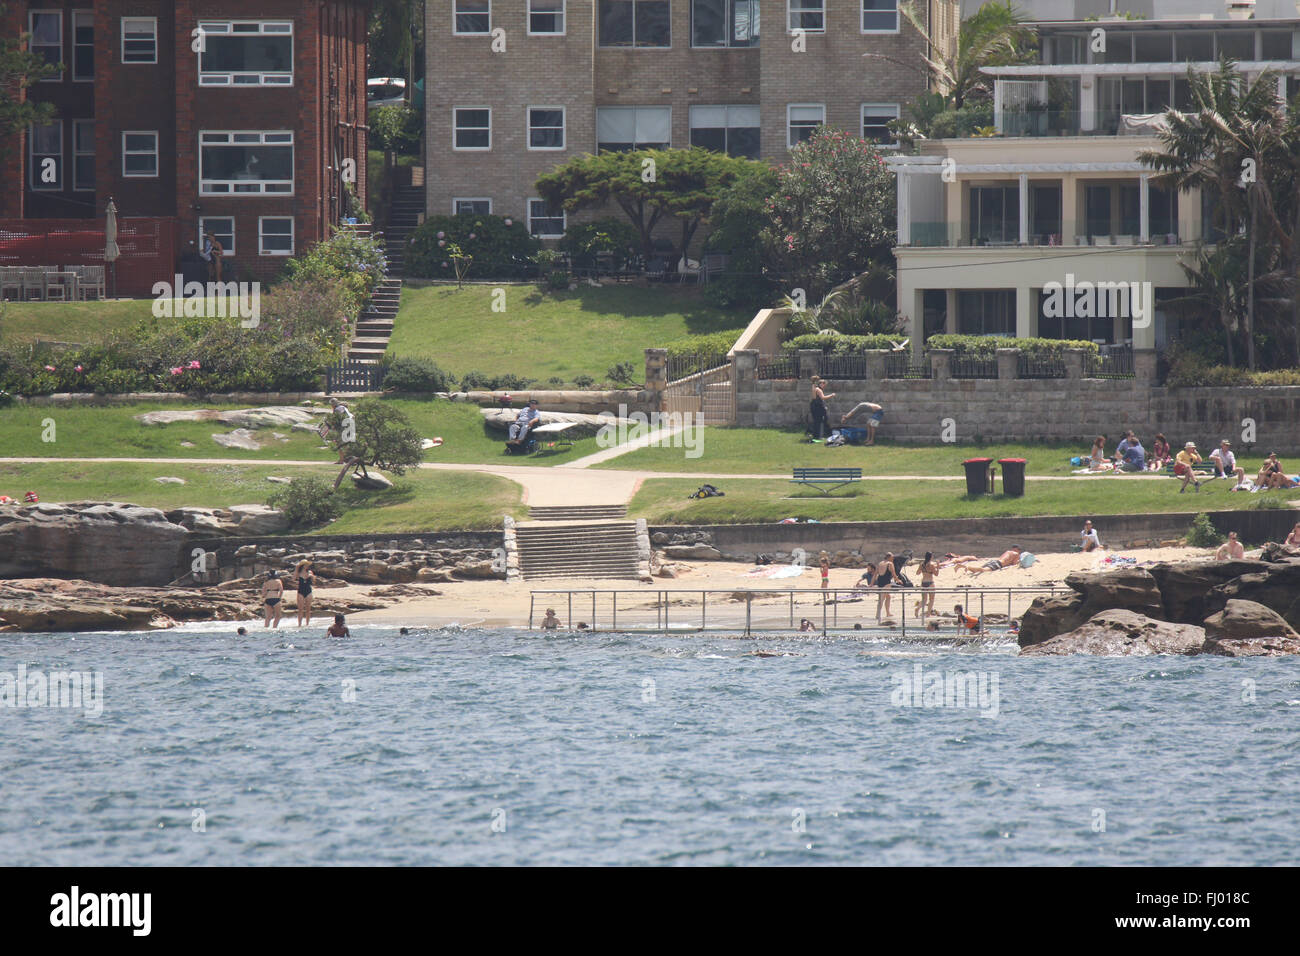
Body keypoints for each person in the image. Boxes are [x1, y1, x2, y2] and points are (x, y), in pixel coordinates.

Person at [912, 551, 938, 619]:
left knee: (924, 600)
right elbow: (936, 574)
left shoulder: (921, 564)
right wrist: (938, 567)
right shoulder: (932, 564)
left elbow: (917, 573)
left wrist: (923, 570)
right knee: (931, 599)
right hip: (930, 582)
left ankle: (917, 609)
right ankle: (928, 614)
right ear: (931, 557)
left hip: (923, 582)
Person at [809, 376, 834, 440]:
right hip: (817, 407)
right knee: (819, 421)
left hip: (814, 406)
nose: (824, 386)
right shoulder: (819, 390)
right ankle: (818, 436)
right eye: (824, 384)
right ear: (821, 384)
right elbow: (823, 398)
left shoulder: (814, 387)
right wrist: (831, 395)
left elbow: (815, 398)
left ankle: (816, 435)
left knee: (816, 421)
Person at [875, 552, 897, 622]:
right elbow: (894, 574)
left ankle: (888, 613)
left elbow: (875, 574)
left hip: (880, 581)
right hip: (886, 582)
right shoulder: (890, 564)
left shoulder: (880, 563)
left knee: (888, 596)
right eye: (892, 557)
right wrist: (898, 580)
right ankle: (877, 614)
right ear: (889, 557)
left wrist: (871, 583)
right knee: (882, 598)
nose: (893, 558)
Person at [294, 559, 315, 627]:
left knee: (308, 609)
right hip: (300, 591)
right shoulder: (299, 573)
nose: (307, 566)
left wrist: (312, 577)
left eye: (307, 565)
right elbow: (294, 578)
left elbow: (314, 582)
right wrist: (296, 568)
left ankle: (307, 624)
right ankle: (299, 624)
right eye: (306, 565)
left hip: (308, 590)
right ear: (303, 566)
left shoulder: (310, 572)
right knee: (300, 609)